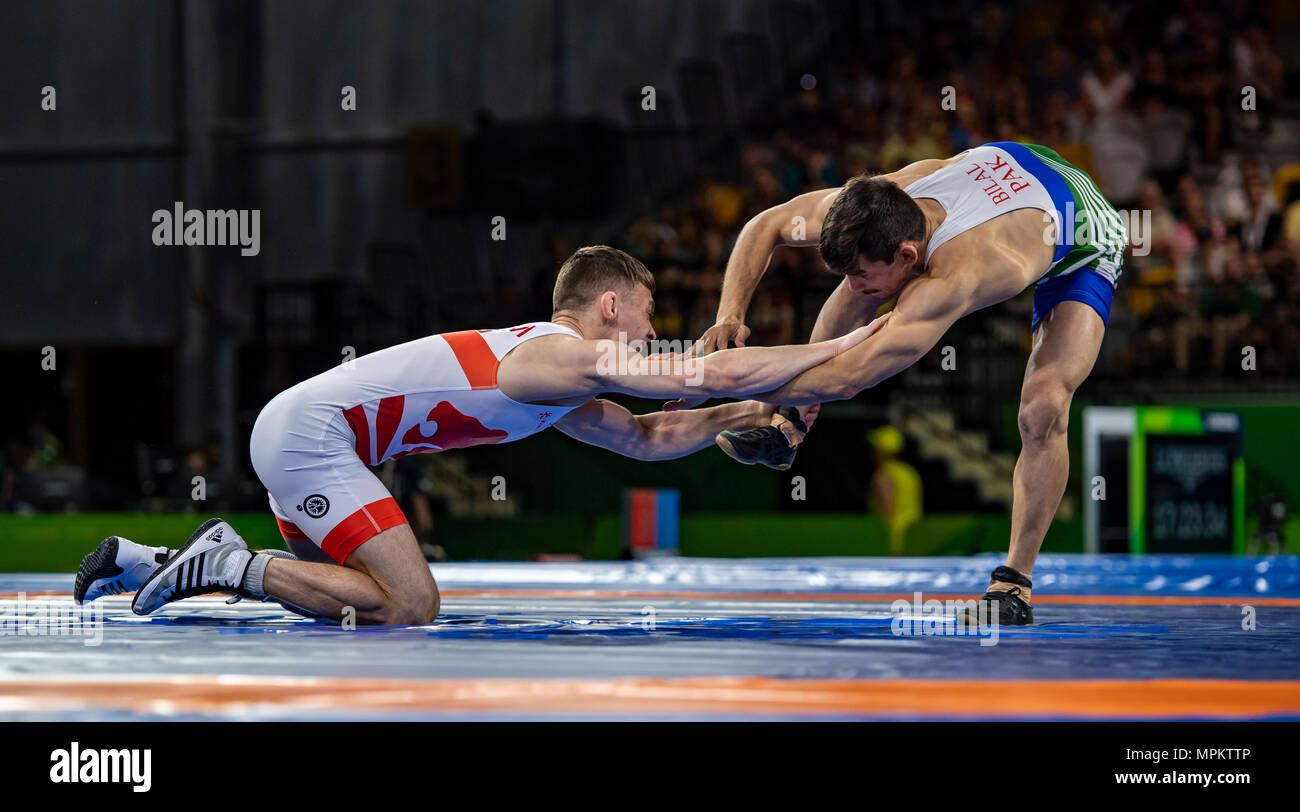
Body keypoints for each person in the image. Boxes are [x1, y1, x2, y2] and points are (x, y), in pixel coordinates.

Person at [75, 246, 888, 624]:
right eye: (646, 315)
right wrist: (849, 345)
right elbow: (700, 373)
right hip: (312, 439)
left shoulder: (555, 374)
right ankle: (228, 561)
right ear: (611, 307)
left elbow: (642, 439)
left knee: (346, 603)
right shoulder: (559, 358)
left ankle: (146, 564)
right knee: (411, 605)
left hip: (319, 438)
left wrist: (745, 415)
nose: (651, 330)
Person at [697, 142, 1129, 625]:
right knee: (860, 293)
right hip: (1016, 163)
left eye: (860, 271)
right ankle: (790, 426)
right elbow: (767, 224)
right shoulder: (887, 199)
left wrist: (714, 378)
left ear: (909, 255)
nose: (853, 284)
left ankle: (1013, 587)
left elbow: (847, 378)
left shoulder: (961, 274)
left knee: (1043, 408)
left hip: (1082, 231)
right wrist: (729, 317)